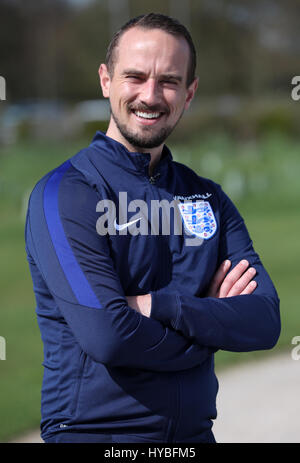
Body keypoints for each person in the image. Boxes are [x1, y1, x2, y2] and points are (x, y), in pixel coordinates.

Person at [25, 13, 280, 444]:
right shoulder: (66, 194)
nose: (150, 95)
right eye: (135, 76)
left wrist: (155, 306)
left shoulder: (208, 198)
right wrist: (210, 326)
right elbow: (108, 336)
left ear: (190, 92)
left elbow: (264, 321)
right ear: (106, 81)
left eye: (169, 81)